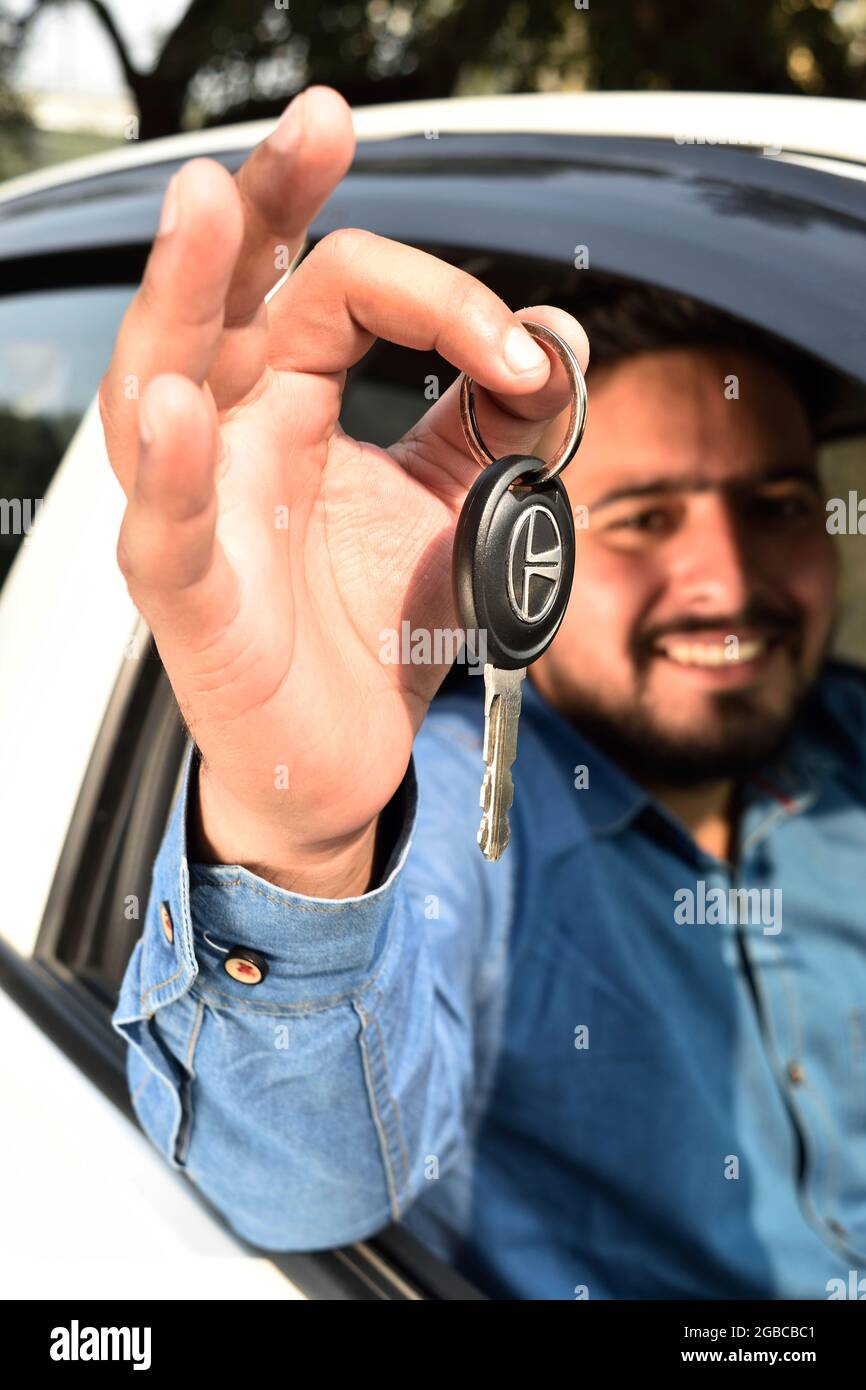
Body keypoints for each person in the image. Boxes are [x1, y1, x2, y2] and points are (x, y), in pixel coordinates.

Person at [107, 86, 866, 1300]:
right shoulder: (462, 810)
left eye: (774, 509)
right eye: (645, 519)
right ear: (524, 555)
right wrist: (308, 841)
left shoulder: (848, 738)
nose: (724, 580)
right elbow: (299, 1189)